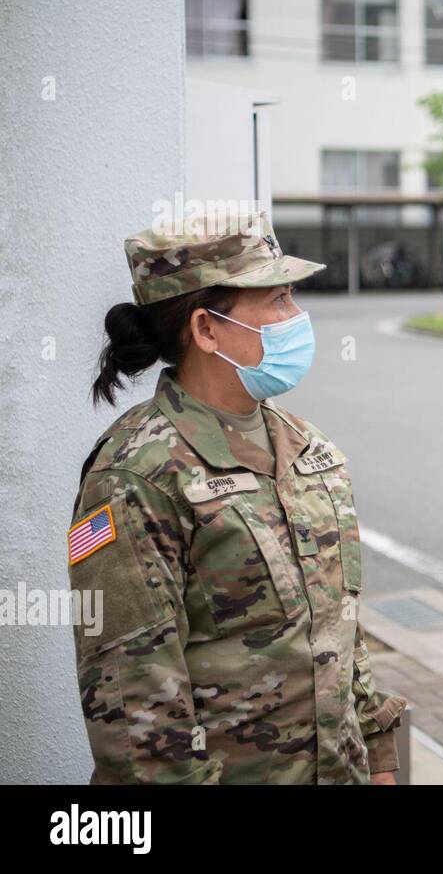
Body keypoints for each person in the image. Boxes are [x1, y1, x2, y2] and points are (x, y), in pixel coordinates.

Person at [67, 211, 407, 784]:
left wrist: (380, 760)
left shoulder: (308, 449)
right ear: (205, 329)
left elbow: (340, 628)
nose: (296, 318)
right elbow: (135, 712)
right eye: (276, 301)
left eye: (292, 296)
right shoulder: (134, 476)